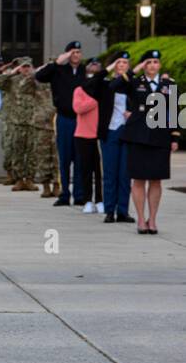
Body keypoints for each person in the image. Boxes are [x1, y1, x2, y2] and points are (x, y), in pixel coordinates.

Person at [112, 49, 181, 234]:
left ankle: (153, 219)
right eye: (148, 62)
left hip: (160, 137)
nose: (152, 66)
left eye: (155, 62)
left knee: (156, 180)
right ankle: (141, 220)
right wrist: (134, 70)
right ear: (144, 65)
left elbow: (174, 111)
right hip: (138, 136)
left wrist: (174, 137)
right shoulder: (135, 82)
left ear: (160, 65)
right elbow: (114, 86)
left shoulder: (169, 84)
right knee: (139, 179)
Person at [34, 41, 87, 206]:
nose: (76, 55)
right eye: (72, 52)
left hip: (82, 119)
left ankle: (79, 194)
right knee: (64, 158)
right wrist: (57, 62)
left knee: (80, 158)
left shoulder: (85, 71)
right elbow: (39, 76)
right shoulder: (57, 70)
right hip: (64, 118)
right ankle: (65, 193)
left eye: (78, 52)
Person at [0, 56, 39, 190]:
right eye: (23, 67)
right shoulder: (11, 82)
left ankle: (30, 179)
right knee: (17, 152)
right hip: (16, 121)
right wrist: (7, 70)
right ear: (19, 68)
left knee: (32, 152)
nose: (26, 69)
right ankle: (19, 179)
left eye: (28, 67)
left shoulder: (36, 81)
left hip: (33, 121)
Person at [97, 51, 135, 223]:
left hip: (127, 132)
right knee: (110, 172)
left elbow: (145, 107)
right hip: (110, 131)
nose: (122, 66)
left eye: (125, 63)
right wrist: (108, 69)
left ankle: (123, 210)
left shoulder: (133, 85)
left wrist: (132, 114)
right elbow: (91, 84)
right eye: (119, 62)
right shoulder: (106, 84)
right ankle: (109, 210)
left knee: (125, 174)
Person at [71, 57, 105, 213]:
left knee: (100, 171)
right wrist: (95, 100)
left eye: (97, 64)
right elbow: (78, 108)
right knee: (85, 170)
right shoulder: (80, 89)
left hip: (100, 133)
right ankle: (87, 200)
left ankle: (100, 199)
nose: (95, 66)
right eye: (92, 64)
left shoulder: (104, 87)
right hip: (83, 135)